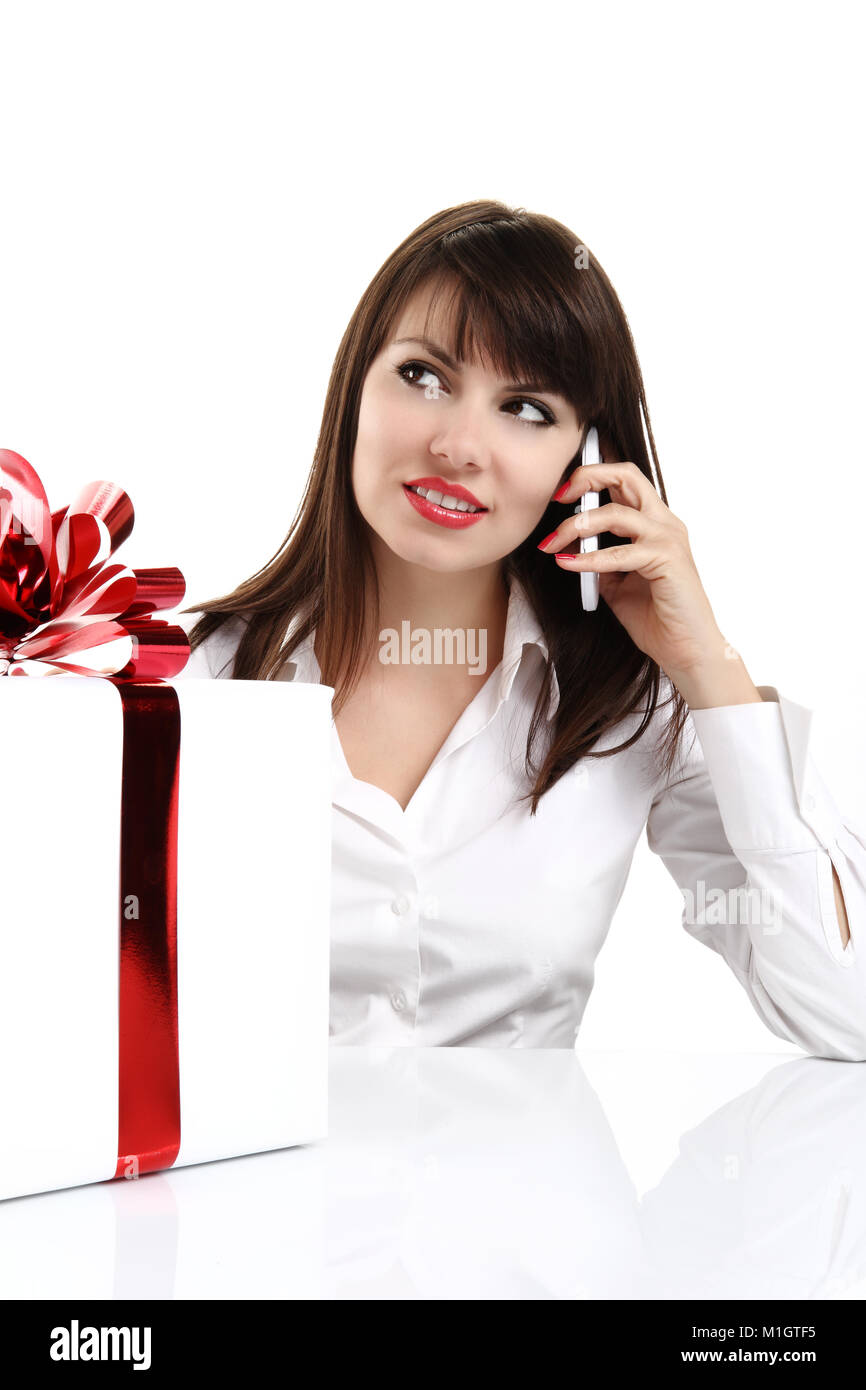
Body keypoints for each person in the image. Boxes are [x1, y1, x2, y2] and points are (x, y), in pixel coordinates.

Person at [179, 200, 865, 1057]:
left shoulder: (632, 706)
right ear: (356, 384)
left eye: (528, 409)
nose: (460, 446)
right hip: (253, 1191)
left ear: (587, 462)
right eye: (424, 375)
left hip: (532, 1189)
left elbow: (847, 1010)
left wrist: (708, 666)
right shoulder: (188, 683)